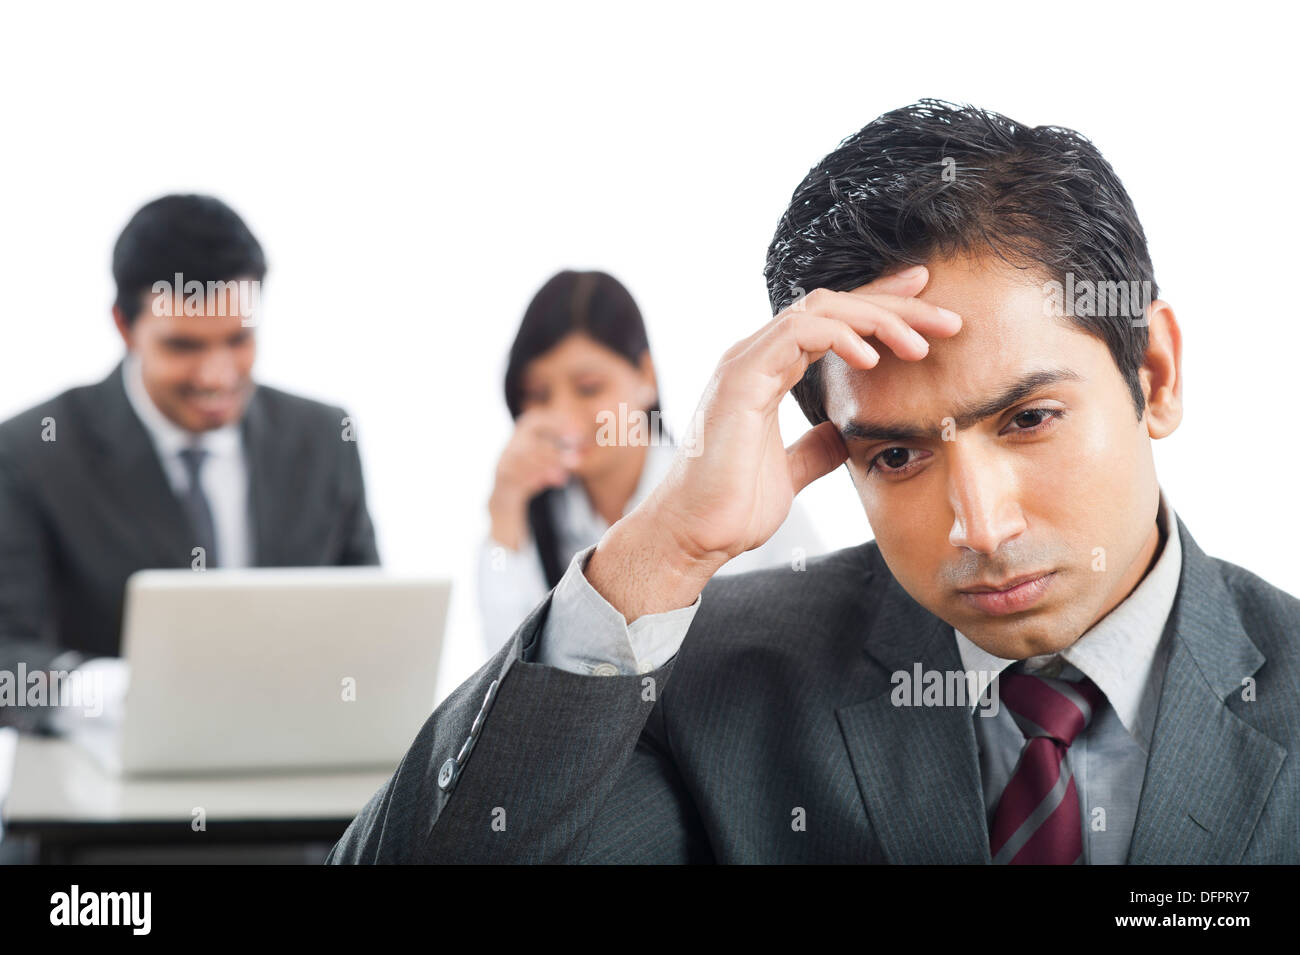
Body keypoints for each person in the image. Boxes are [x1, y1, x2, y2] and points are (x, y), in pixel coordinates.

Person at [329, 100, 1299, 864]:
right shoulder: (723, 684)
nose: (981, 525)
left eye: (1029, 419)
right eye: (896, 455)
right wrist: (660, 549)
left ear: (1155, 375)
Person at [0, 195, 380, 733]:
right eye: (184, 346)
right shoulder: (31, 450)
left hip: (299, 772)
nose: (217, 377)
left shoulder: (322, 436)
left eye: (239, 340)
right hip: (105, 793)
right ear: (124, 327)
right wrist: (125, 692)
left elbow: (368, 618)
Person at [478, 269, 819, 655]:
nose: (561, 417)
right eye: (539, 395)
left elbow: (815, 631)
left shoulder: (741, 487)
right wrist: (504, 510)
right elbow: (504, 681)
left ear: (646, 377)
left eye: (588, 388)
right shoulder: (532, 518)